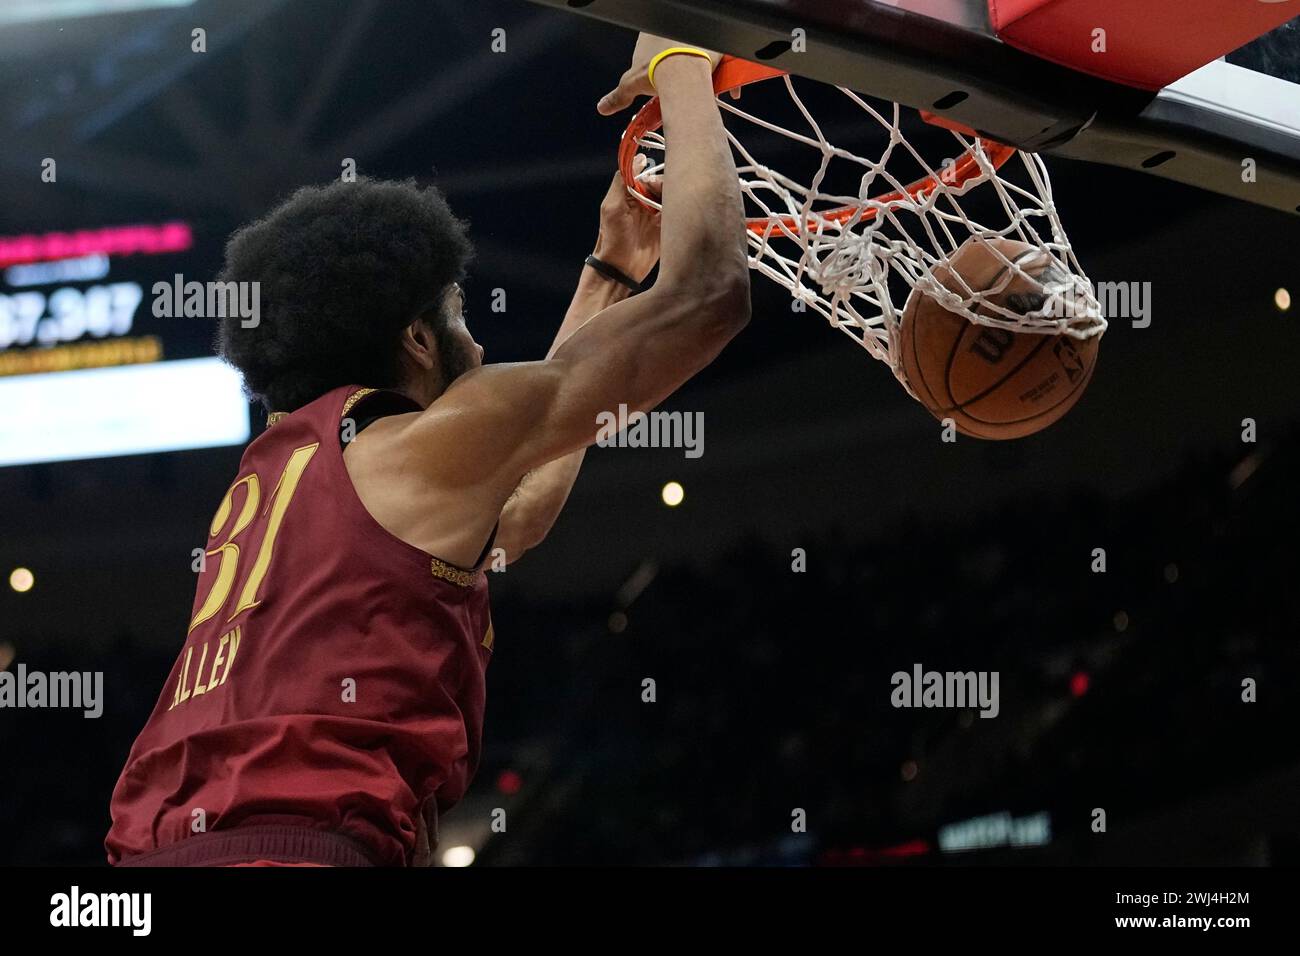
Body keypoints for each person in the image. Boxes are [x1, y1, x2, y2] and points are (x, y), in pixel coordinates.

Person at [105, 33, 750, 867]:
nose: (477, 350)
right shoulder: (414, 450)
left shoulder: (277, 473)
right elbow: (709, 294)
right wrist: (683, 63)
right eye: (460, 319)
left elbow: (519, 511)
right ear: (416, 336)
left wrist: (609, 273)